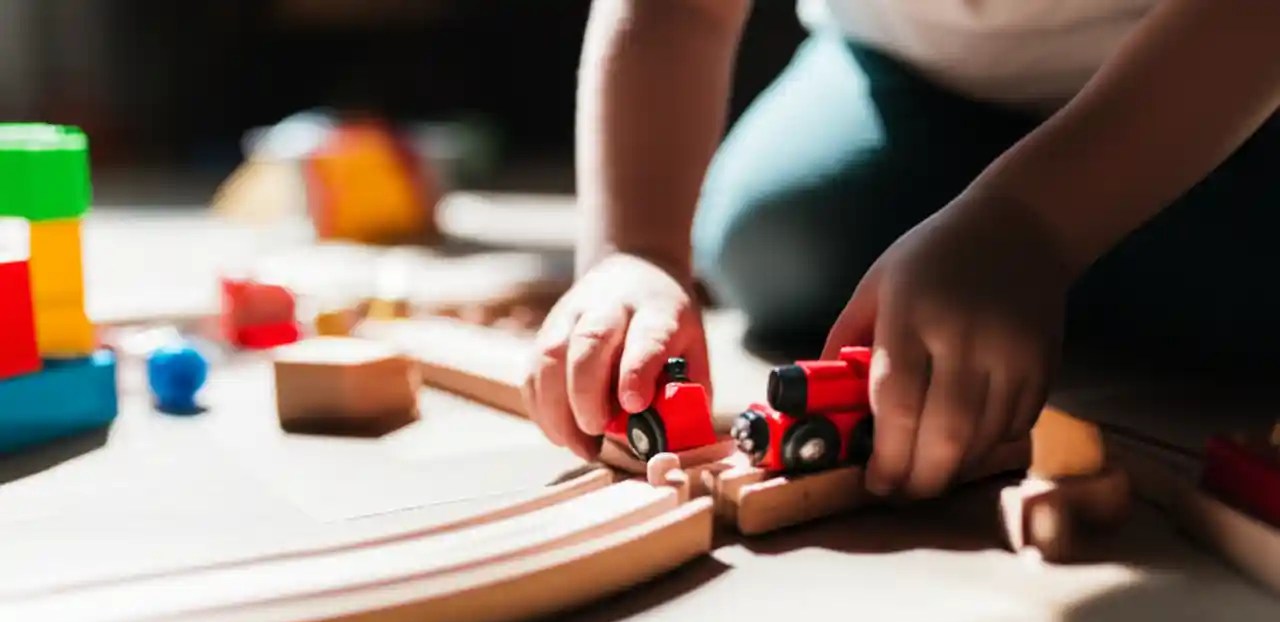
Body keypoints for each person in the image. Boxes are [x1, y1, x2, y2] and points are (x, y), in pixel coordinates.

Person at [521, 0, 1280, 500]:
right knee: (773, 240)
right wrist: (635, 249)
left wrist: (1034, 225)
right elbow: (675, 12)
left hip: (1227, 86)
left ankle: (1072, 235)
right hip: (910, 78)